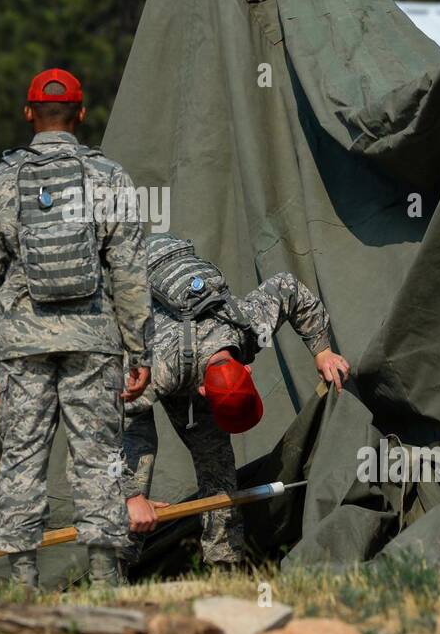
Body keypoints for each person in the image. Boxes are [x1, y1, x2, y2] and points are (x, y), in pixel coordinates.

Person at [0, 67, 152, 589]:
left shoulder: (0, 181)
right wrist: (140, 351)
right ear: (81, 113)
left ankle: (23, 582)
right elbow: (130, 273)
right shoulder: (108, 176)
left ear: (28, 113)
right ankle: (105, 577)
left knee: (23, 457)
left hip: (20, 346)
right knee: (98, 458)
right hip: (93, 341)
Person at [123, 233, 350, 569]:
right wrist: (131, 494)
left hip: (190, 341)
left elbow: (288, 288)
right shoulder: (158, 370)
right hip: (126, 302)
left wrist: (323, 350)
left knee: (217, 466)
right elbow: (117, 420)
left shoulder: (247, 324)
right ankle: (109, 578)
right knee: (132, 485)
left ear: (247, 369)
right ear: (202, 392)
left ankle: (224, 570)